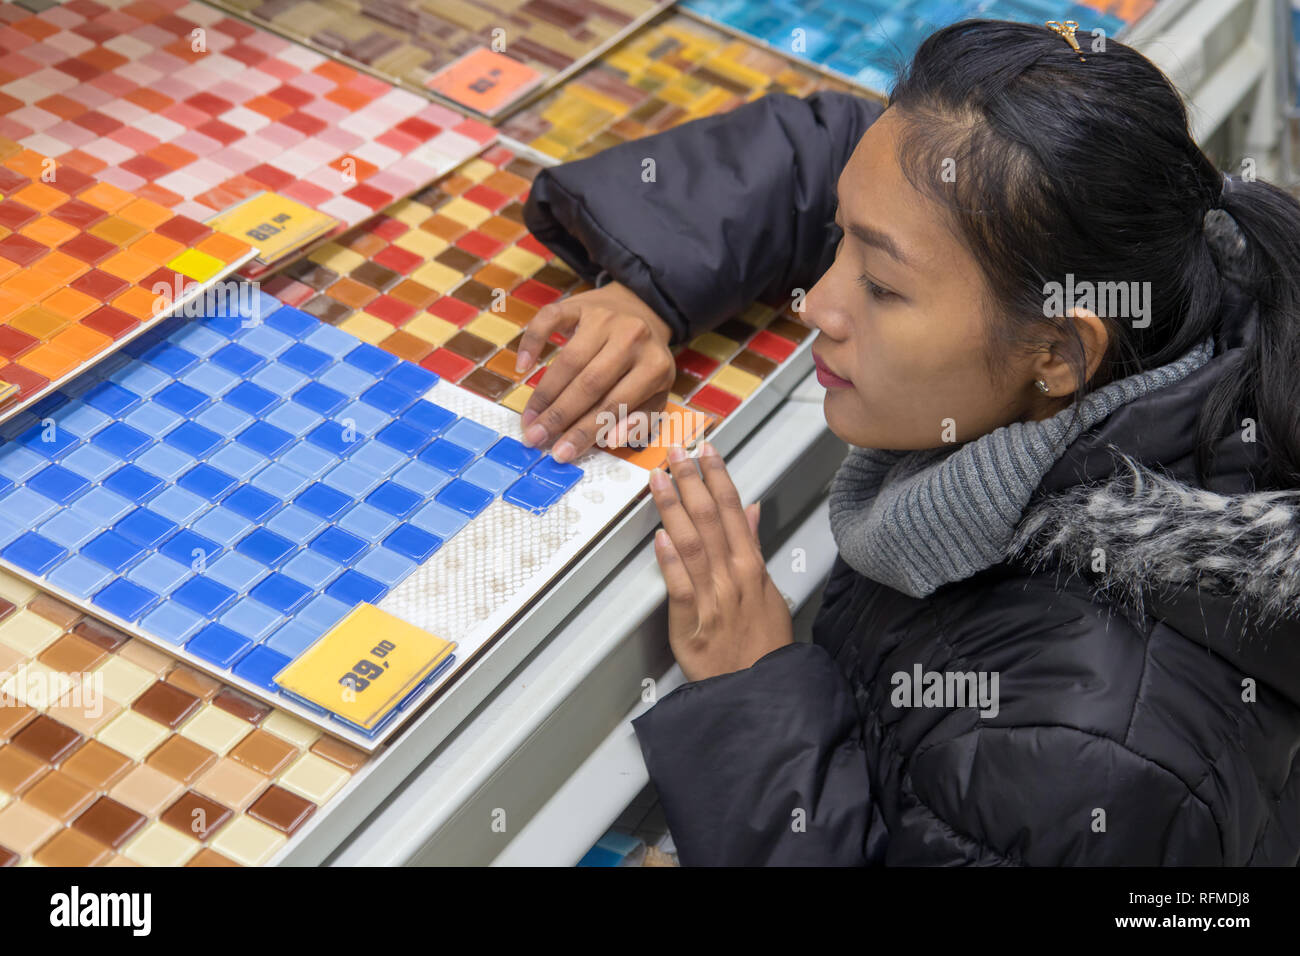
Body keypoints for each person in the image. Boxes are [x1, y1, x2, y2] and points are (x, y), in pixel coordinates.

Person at [519, 19, 1300, 865]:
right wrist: (649, 290)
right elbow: (834, 157)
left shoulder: (1092, 766)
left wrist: (758, 700)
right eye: (840, 235)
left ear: (1060, 354)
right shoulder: (1166, 266)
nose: (813, 302)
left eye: (881, 286)